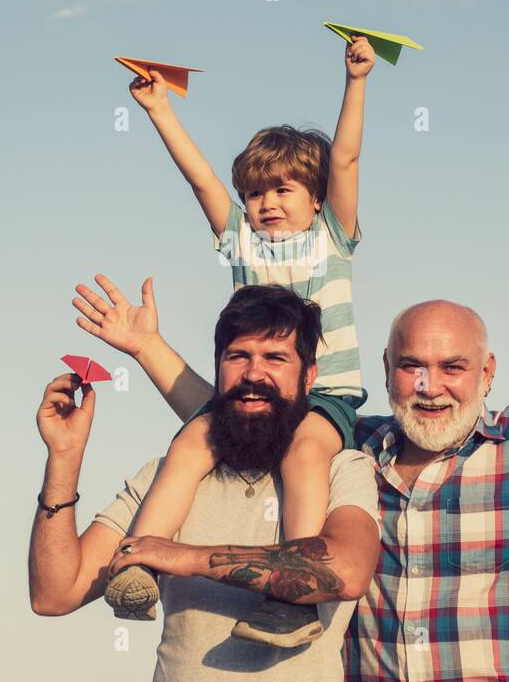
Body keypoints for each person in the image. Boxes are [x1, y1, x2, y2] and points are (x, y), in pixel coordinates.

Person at [69, 223, 509, 682]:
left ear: (487, 372)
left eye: (452, 367)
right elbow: (246, 403)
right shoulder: (351, 452)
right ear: (385, 370)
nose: (431, 387)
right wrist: (147, 348)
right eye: (412, 367)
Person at [100, 33, 377, 646]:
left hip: (323, 392)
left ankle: (294, 597)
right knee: (191, 442)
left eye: (283, 190)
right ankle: (142, 562)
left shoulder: (332, 236)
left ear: (317, 198)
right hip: (252, 391)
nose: (266, 203)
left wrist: (357, 81)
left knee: (306, 454)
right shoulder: (241, 241)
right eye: (255, 193)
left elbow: (348, 160)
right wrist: (160, 111)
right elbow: (200, 181)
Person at [29, 284, 381, 682]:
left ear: (308, 378)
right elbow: (54, 594)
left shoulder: (341, 471)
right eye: (238, 357)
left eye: (275, 358)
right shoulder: (167, 477)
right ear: (217, 369)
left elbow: (347, 571)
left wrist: (184, 557)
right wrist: (64, 458)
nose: (253, 374)